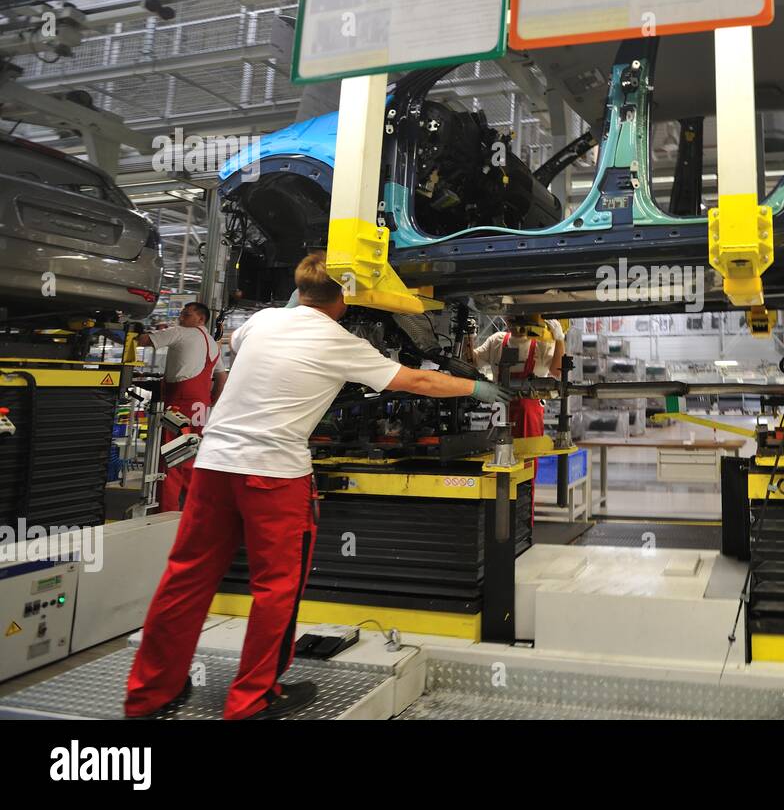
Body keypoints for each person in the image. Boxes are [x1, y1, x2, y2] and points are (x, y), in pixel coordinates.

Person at [124, 252, 508, 720]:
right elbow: (421, 381)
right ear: (344, 297)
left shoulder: (261, 322)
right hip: (274, 476)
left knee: (185, 578)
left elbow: (248, 343)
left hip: (213, 466)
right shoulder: (338, 341)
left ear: (298, 289)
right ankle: (252, 699)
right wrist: (475, 388)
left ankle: (149, 693)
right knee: (276, 589)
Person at [137, 302, 227, 511]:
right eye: (181, 315)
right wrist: (211, 400)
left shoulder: (181, 333)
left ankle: (166, 514)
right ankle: (193, 511)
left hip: (180, 406)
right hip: (201, 409)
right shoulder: (213, 344)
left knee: (172, 461)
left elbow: (143, 340)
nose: (181, 318)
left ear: (200, 319)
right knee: (190, 461)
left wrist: (127, 330)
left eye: (186, 315)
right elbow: (221, 377)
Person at [467, 314, 565, 438]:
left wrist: (560, 339)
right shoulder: (496, 340)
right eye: (511, 317)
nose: (516, 323)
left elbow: (557, 371)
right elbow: (471, 362)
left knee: (527, 454)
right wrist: (468, 336)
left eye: (519, 317)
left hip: (529, 419)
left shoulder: (542, 344)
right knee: (495, 454)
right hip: (500, 415)